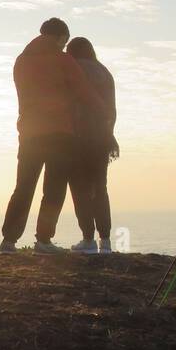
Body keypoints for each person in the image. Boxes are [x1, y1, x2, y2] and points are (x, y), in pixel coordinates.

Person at [0, 18, 104, 254]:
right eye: (64, 41)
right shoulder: (63, 60)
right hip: (59, 133)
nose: (65, 45)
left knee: (24, 186)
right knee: (53, 189)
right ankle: (43, 241)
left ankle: (8, 241)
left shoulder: (21, 61)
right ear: (60, 37)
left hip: (29, 132)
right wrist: (103, 113)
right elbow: (84, 91)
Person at [65, 37, 117, 254]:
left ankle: (88, 240)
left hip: (77, 138)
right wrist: (108, 133)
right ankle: (105, 241)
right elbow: (111, 110)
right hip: (102, 139)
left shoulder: (72, 70)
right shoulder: (104, 72)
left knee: (80, 189)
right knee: (100, 188)